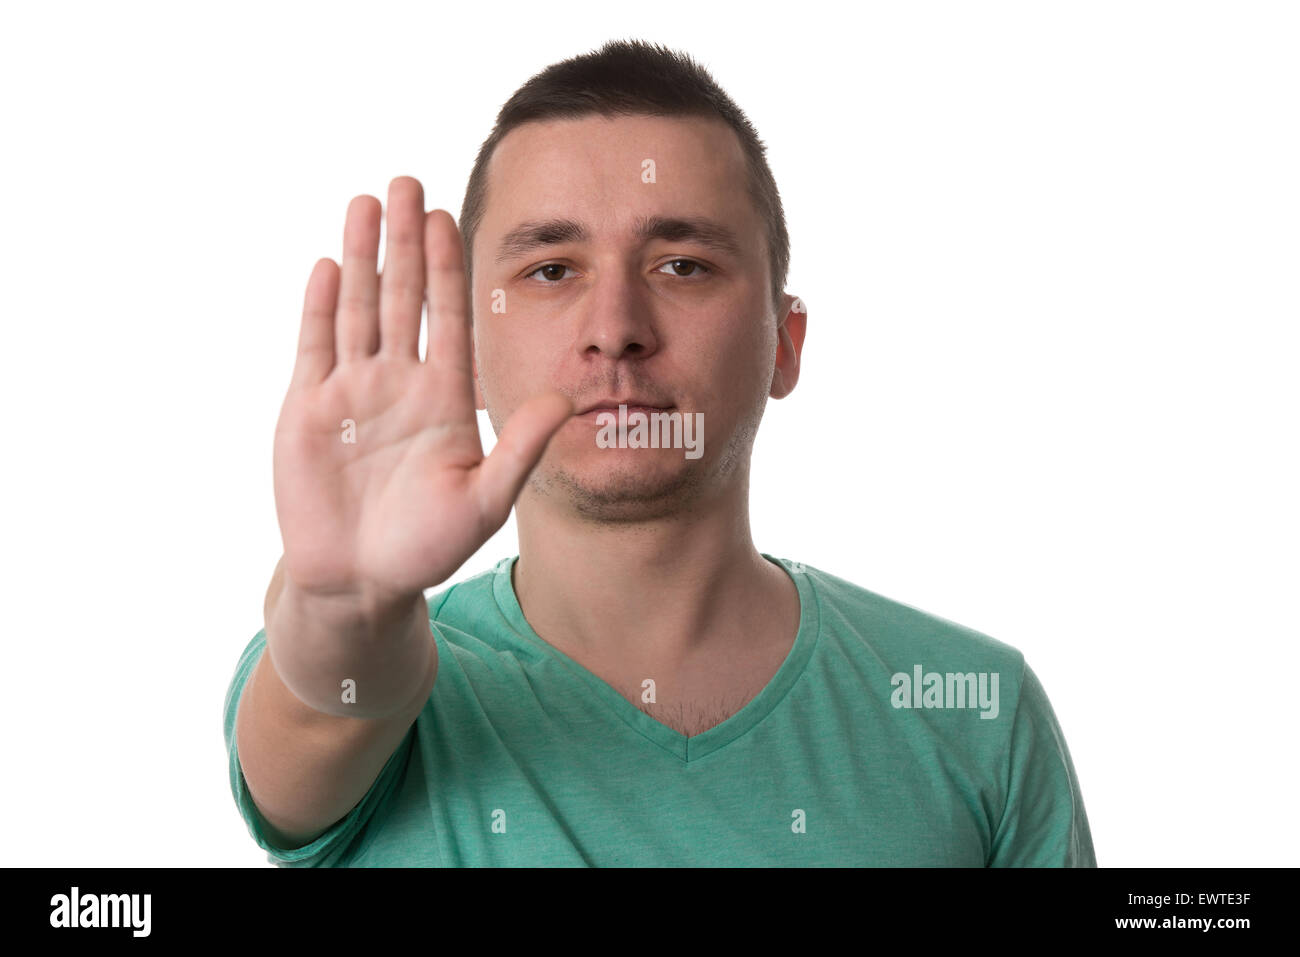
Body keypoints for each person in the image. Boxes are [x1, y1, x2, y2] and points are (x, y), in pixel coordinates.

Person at [223, 38, 1096, 867]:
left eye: (681, 265)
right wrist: (348, 608)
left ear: (784, 343)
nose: (615, 333)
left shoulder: (976, 707)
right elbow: (324, 713)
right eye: (552, 270)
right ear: (471, 357)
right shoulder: (388, 698)